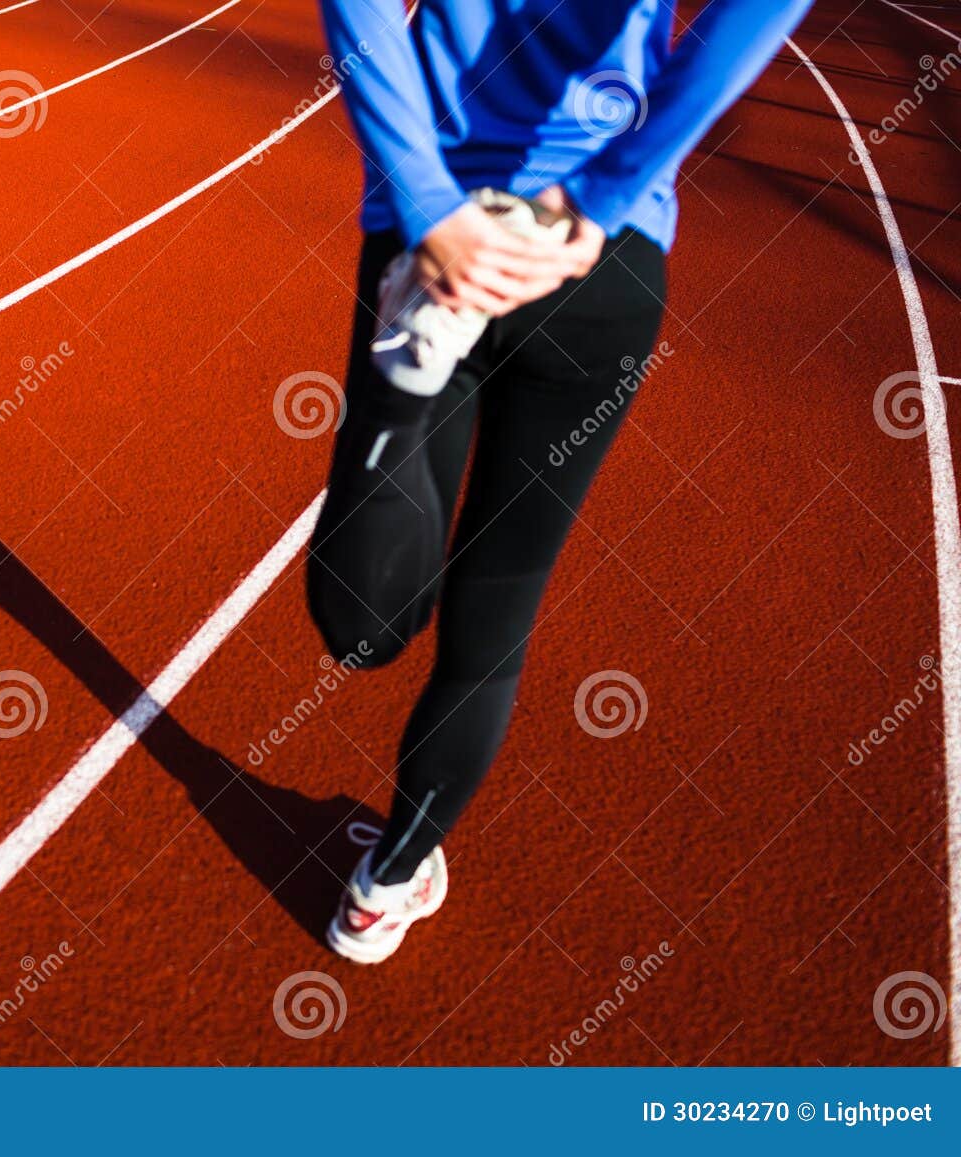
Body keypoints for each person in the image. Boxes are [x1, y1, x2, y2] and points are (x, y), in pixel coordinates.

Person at [310, 0, 814, 964]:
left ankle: (398, 405)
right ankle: (386, 885)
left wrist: (425, 200)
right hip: (596, 258)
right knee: (496, 614)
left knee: (365, 632)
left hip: (434, 235)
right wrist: (610, 187)